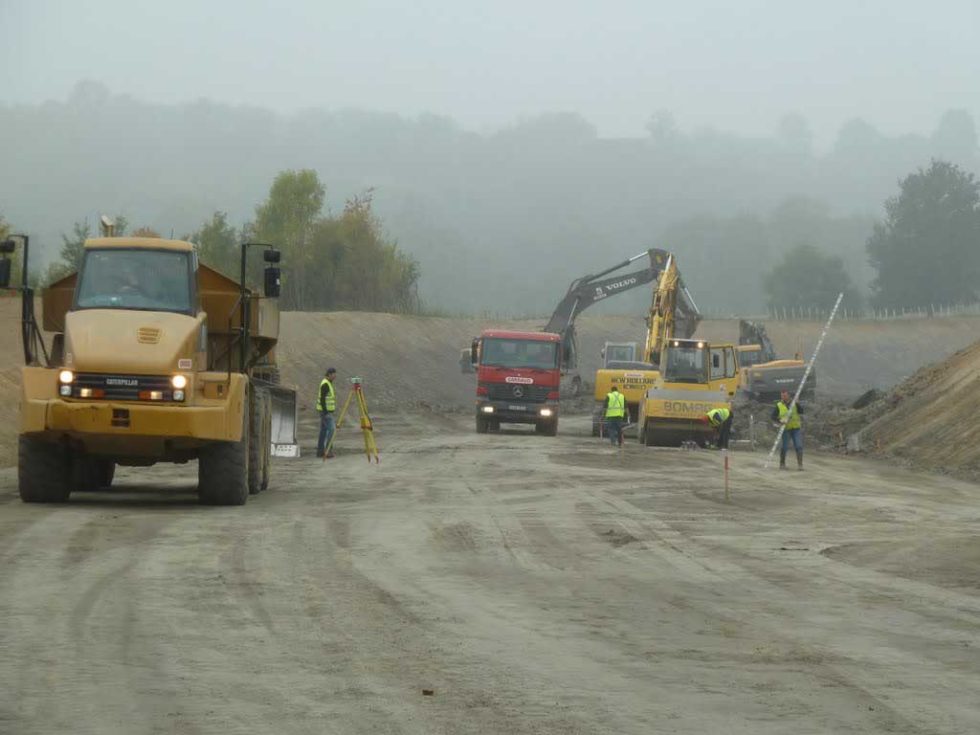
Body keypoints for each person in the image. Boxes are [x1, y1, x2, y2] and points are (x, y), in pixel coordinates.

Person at [773, 390, 804, 470]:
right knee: (785, 447)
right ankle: (782, 464)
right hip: (786, 429)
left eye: (784, 395)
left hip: (795, 428)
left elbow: (801, 411)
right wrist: (780, 421)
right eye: (782, 396)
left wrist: (797, 403)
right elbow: (773, 416)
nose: (783, 397)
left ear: (788, 396)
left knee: (799, 446)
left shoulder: (794, 404)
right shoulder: (779, 405)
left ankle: (800, 465)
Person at [316, 367, 338, 458]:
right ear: (329, 374)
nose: (335, 376)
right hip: (326, 412)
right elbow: (322, 399)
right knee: (332, 430)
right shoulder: (325, 384)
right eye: (333, 374)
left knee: (323, 431)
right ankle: (328, 451)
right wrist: (325, 412)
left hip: (324, 411)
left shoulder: (328, 383)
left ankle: (320, 451)